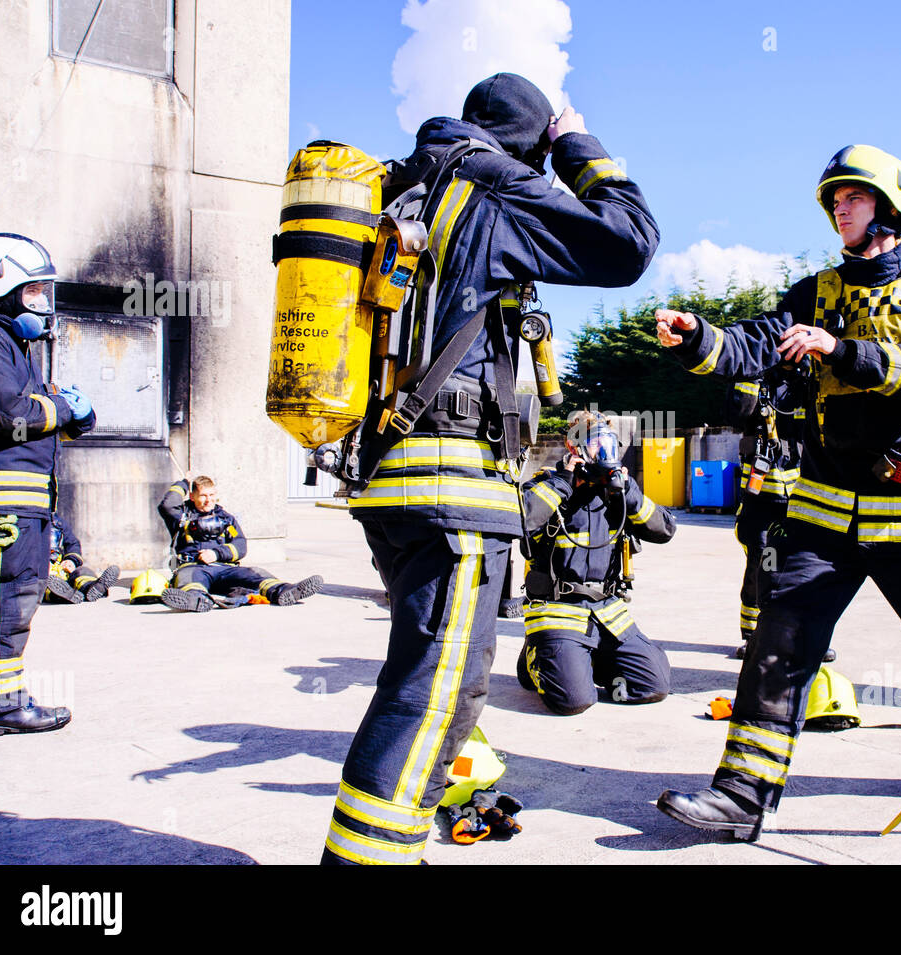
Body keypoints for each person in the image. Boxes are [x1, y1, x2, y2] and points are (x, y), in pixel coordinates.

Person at [322, 73, 658, 865]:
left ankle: (389, 849)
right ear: (531, 137)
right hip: (452, 485)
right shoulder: (491, 185)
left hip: (393, 475)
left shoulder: (403, 181)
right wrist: (577, 143)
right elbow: (629, 242)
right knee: (434, 693)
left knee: (427, 680)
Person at [653, 144, 901, 840]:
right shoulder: (813, 290)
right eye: (834, 199)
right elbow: (760, 343)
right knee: (780, 641)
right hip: (821, 508)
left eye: (852, 196)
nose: (839, 207)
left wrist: (838, 350)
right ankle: (743, 791)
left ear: (889, 205)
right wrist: (700, 338)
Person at [0, 232, 95, 736]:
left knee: (12, 597)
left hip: (23, 503)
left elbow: (34, 412)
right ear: (0, 287)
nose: (43, 302)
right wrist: (62, 407)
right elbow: (8, 415)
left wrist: (73, 413)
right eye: (33, 292)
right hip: (3, 505)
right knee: (6, 600)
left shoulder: (12, 343)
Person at [515, 411, 675, 715]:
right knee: (574, 701)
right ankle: (534, 660)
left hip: (608, 612)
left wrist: (629, 493)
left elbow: (665, 530)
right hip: (557, 610)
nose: (603, 452)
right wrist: (564, 484)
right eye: (595, 445)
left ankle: (579, 663)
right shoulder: (548, 483)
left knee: (653, 685)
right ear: (574, 448)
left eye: (608, 445)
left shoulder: (617, 492)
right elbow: (520, 519)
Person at [725, 370, 833, 664]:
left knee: (805, 566)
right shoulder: (749, 381)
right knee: (760, 563)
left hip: (798, 495)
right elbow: (737, 414)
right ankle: (754, 637)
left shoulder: (802, 383)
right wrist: (752, 374)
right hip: (760, 499)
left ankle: (807, 636)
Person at [157, 476, 322, 611]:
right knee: (189, 579)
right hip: (193, 567)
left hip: (225, 568)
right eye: (203, 495)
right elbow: (167, 504)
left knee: (255, 573)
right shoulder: (182, 516)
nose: (209, 500)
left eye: (212, 495)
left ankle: (284, 591)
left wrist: (216, 554)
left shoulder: (226, 518)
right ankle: (196, 599)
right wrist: (183, 483)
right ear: (192, 496)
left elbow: (240, 545)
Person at [43, 511, 119, 604]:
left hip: (62, 569)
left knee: (82, 572)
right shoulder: (26, 525)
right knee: (45, 586)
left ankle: (92, 587)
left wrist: (71, 560)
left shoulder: (57, 522)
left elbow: (73, 543)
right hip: (41, 574)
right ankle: (64, 595)